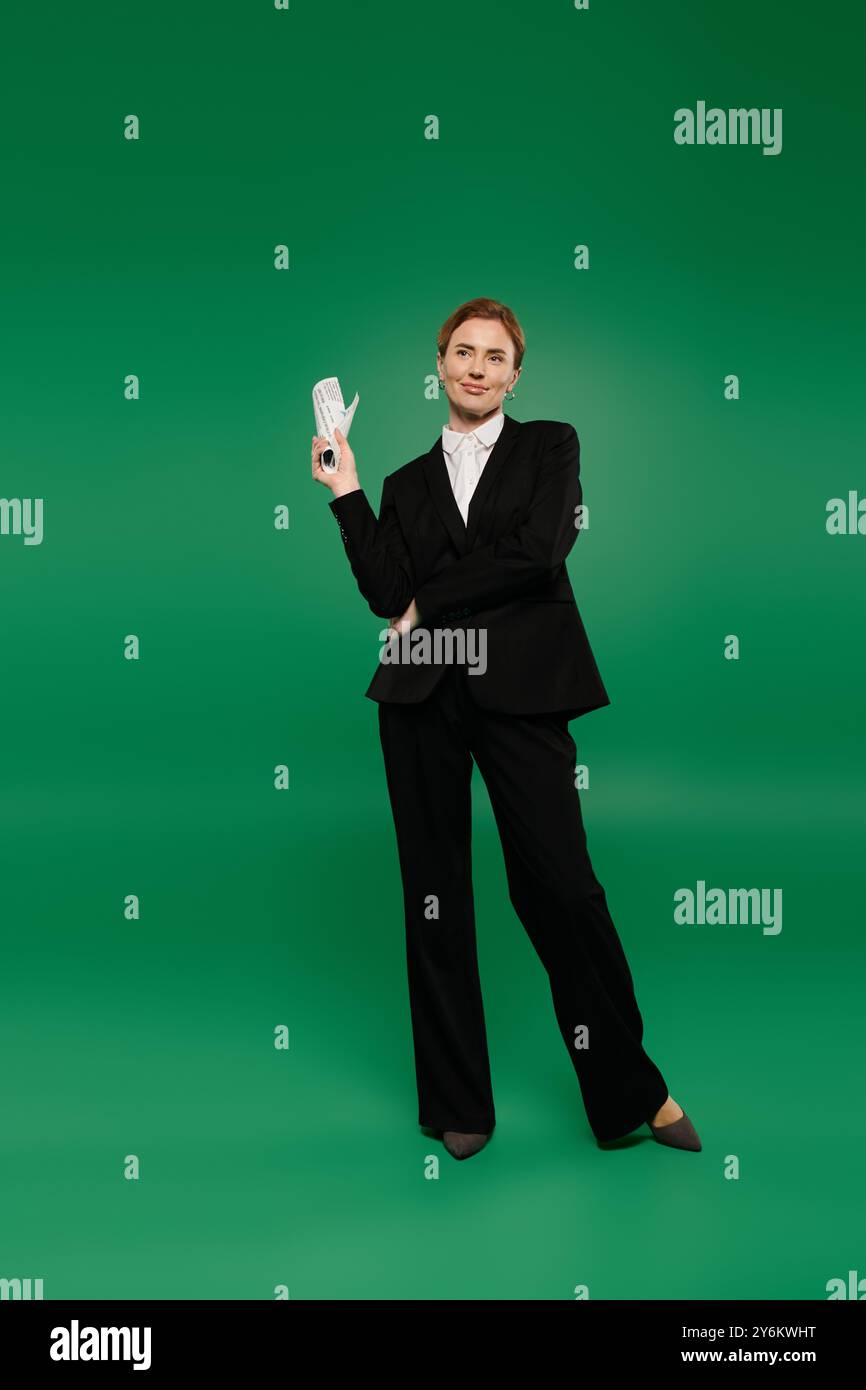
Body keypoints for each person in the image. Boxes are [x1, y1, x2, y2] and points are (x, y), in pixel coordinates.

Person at [312, 297, 700, 1160]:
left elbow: (539, 551)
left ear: (514, 375)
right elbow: (383, 592)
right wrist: (344, 486)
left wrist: (428, 602)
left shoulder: (550, 444)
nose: (478, 366)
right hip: (420, 698)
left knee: (561, 887)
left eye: (495, 356)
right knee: (434, 895)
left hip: (522, 690)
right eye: (463, 352)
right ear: (439, 367)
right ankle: (458, 1101)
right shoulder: (407, 483)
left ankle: (629, 1091)